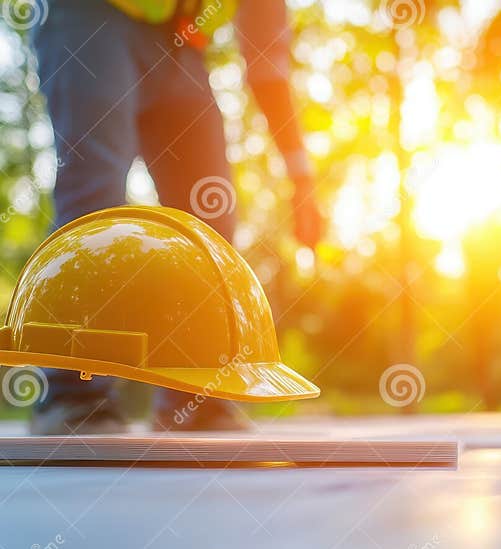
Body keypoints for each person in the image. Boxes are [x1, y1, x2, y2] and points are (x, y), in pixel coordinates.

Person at [28, 0, 323, 434]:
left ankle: (193, 398)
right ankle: (73, 394)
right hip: (86, 14)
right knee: (95, 196)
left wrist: (301, 177)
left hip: (175, 38)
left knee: (209, 214)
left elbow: (267, 62)